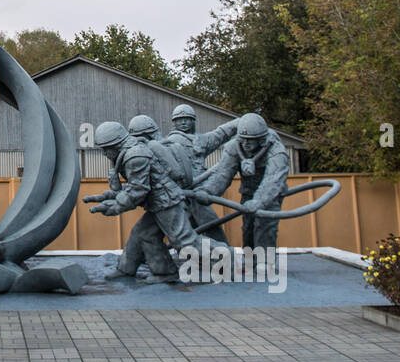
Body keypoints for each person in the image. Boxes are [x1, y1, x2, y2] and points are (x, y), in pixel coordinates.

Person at [89, 121, 227, 283]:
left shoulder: (136, 156)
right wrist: (108, 196)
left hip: (167, 203)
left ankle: (227, 258)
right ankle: (142, 270)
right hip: (158, 203)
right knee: (142, 234)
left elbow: (138, 190)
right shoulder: (128, 153)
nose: (104, 153)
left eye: (105, 148)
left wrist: (115, 207)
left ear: (115, 144)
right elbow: (134, 187)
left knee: (185, 241)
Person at [195, 112, 289, 250]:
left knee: (264, 225)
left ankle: (264, 264)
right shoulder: (233, 147)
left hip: (270, 195)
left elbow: (273, 180)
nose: (245, 143)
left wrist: (259, 201)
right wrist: (207, 190)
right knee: (248, 227)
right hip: (248, 192)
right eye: (243, 139)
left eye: (250, 140)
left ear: (261, 139)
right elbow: (223, 173)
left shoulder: (277, 151)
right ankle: (251, 262)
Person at [162, 104, 237, 243]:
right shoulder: (169, 143)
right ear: (174, 123)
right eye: (179, 119)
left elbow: (221, 133)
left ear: (193, 121)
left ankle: (216, 255)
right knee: (207, 224)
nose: (183, 122)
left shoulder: (200, 140)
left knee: (197, 226)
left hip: (200, 191)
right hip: (182, 193)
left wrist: (240, 122)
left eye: (187, 119)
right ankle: (222, 252)